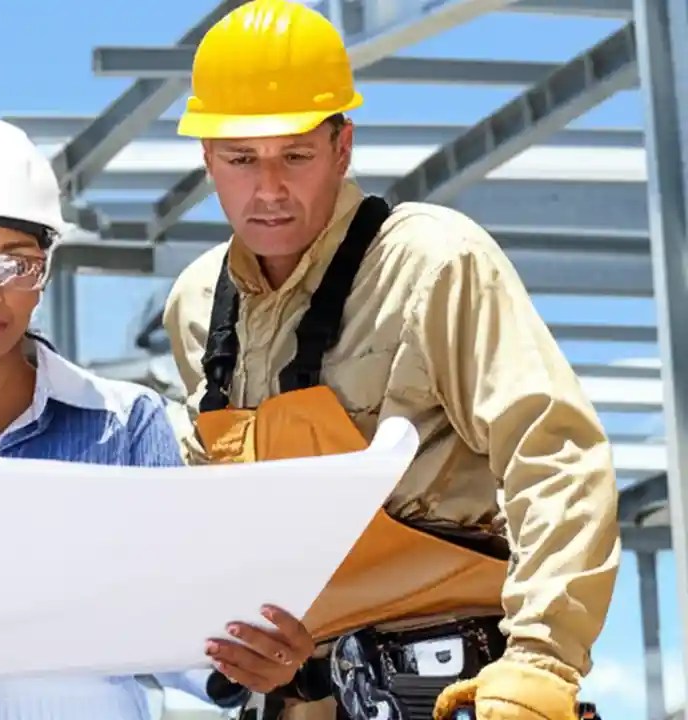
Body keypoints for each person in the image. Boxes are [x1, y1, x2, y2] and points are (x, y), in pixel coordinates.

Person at [159, 1, 620, 719]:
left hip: (457, 691)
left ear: (342, 146)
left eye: (296, 156)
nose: (269, 188)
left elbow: (554, 455)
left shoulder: (431, 263)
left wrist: (542, 661)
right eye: (242, 159)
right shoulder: (197, 306)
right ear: (207, 160)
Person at [0, 117, 317, 719]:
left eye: (16, 265)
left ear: (43, 273)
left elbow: (179, 633)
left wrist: (254, 663)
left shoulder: (125, 425)